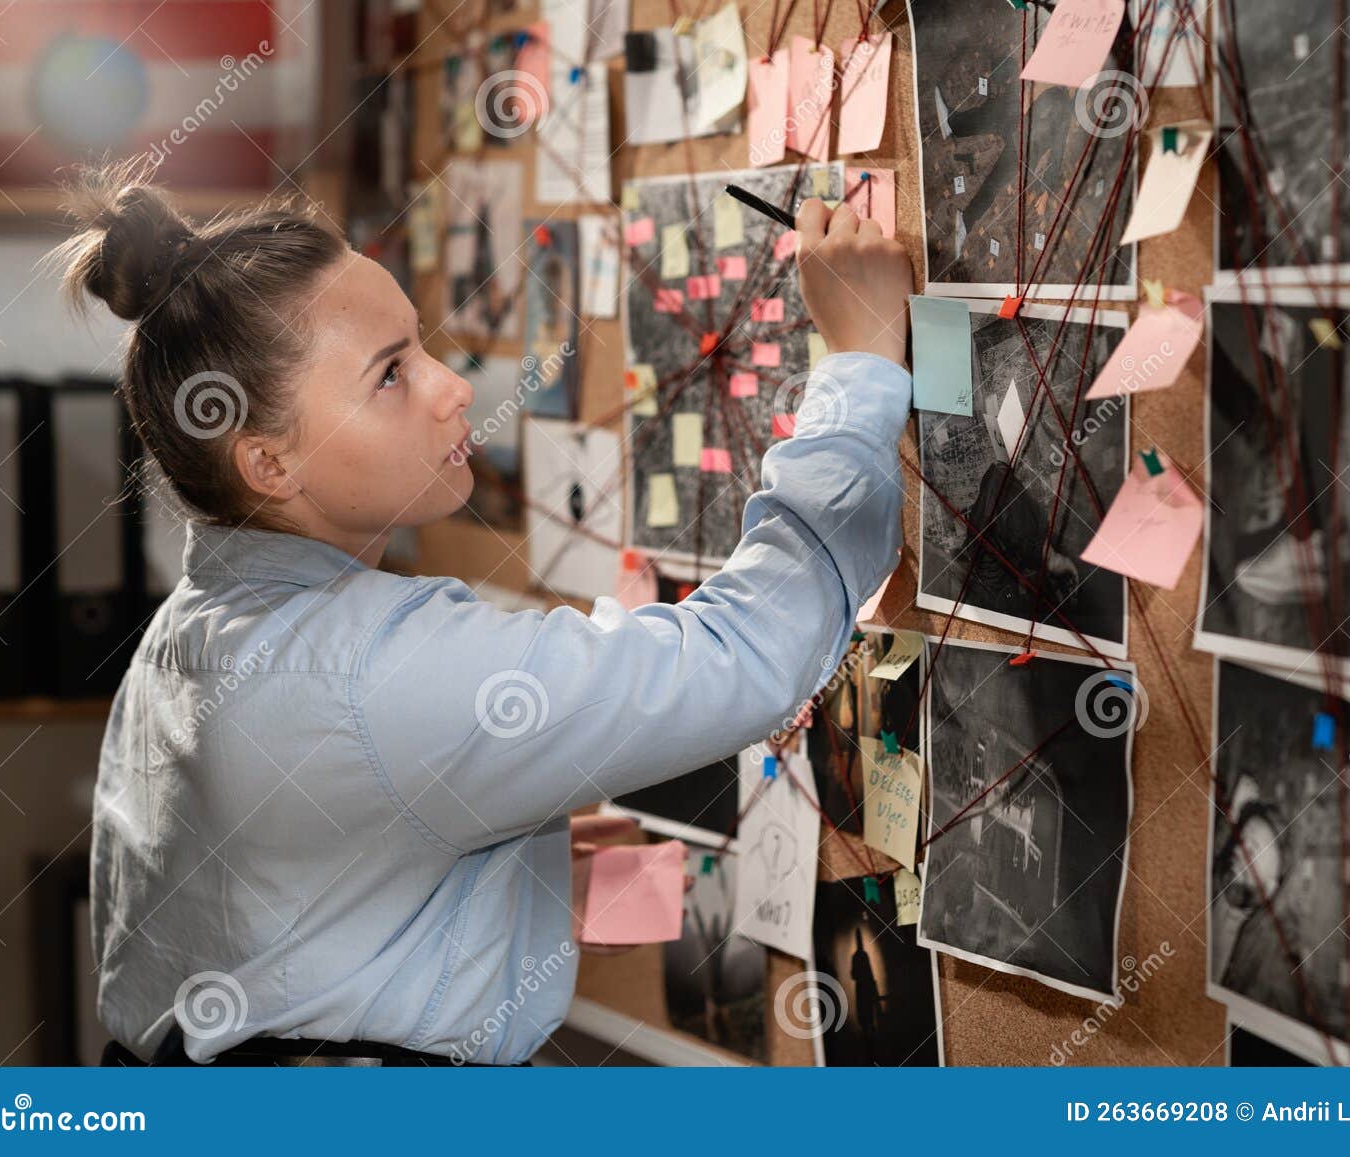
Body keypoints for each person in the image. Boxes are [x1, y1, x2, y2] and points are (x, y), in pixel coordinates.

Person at [53, 156, 914, 1066]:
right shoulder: (358, 668)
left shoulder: (191, 628)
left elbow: (270, 894)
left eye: (419, 345)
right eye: (391, 375)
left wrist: (473, 884)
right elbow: (744, 659)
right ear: (267, 463)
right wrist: (859, 368)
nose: (452, 386)